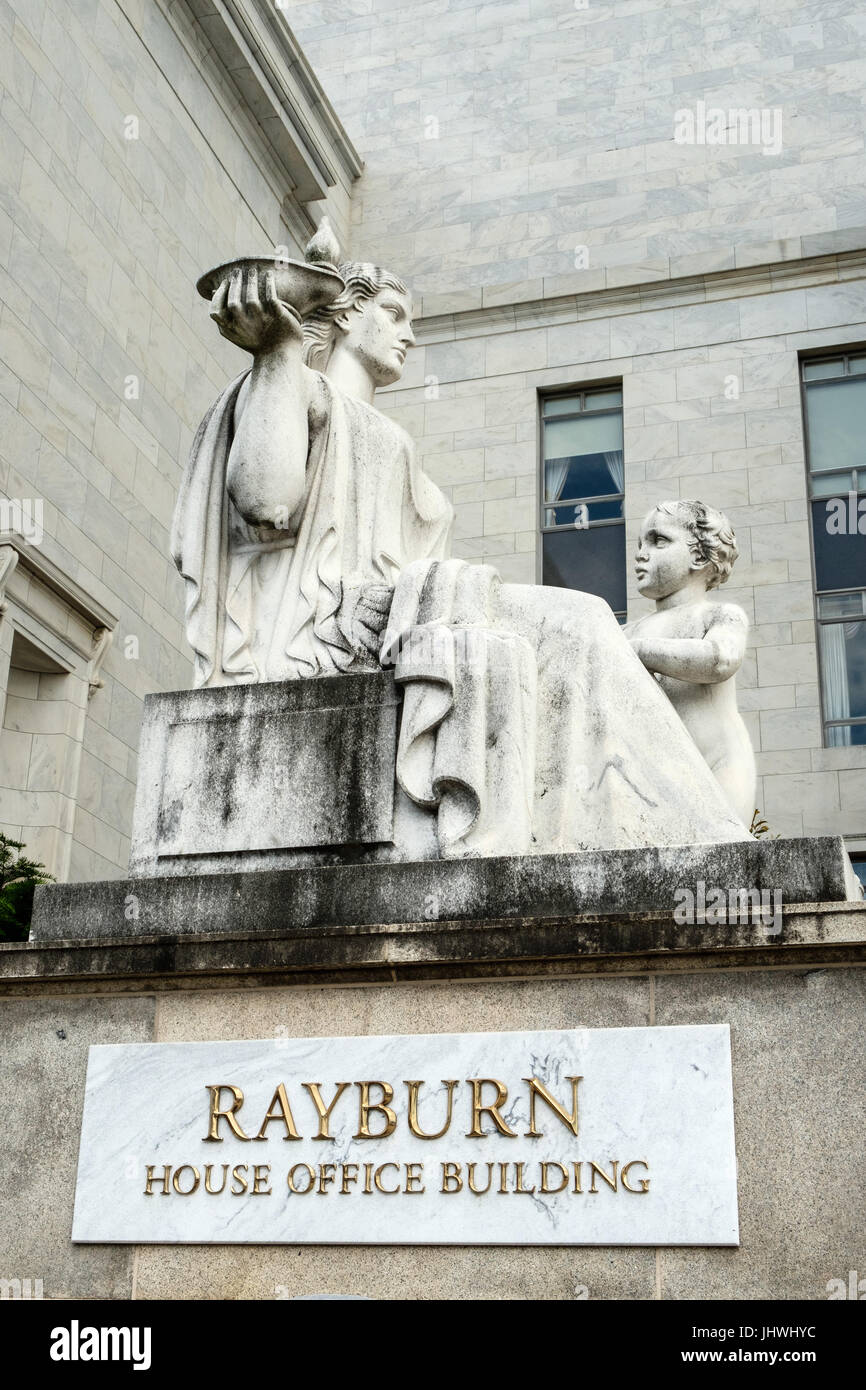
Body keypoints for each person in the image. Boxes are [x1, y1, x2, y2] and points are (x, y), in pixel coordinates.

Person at [171, 244, 752, 857]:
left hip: (403, 622)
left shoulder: (389, 437)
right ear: (344, 315)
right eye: (394, 314)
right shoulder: (302, 393)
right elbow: (263, 503)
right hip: (334, 636)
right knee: (581, 622)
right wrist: (278, 353)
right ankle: (680, 839)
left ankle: (646, 835)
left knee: (581, 623)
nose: (410, 335)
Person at [624, 500, 756, 826]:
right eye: (640, 544)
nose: (641, 554)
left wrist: (637, 651)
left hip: (718, 765)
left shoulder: (719, 614)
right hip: (654, 777)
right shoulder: (627, 631)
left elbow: (720, 659)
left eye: (658, 541)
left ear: (698, 556)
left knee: (716, 854)